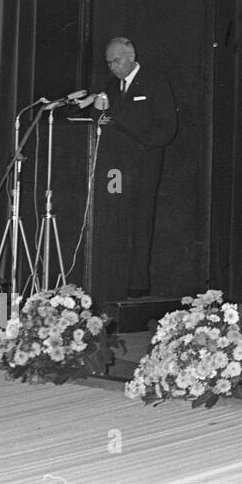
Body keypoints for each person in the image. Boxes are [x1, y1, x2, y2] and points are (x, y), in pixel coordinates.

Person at [77, 37, 177, 298]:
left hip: (144, 164)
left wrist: (137, 139)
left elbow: (167, 127)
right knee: (115, 220)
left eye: (117, 60)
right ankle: (113, 277)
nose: (113, 67)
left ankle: (137, 284)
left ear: (131, 54)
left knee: (140, 221)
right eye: (109, 62)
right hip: (114, 165)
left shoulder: (155, 81)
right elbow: (105, 123)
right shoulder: (109, 85)